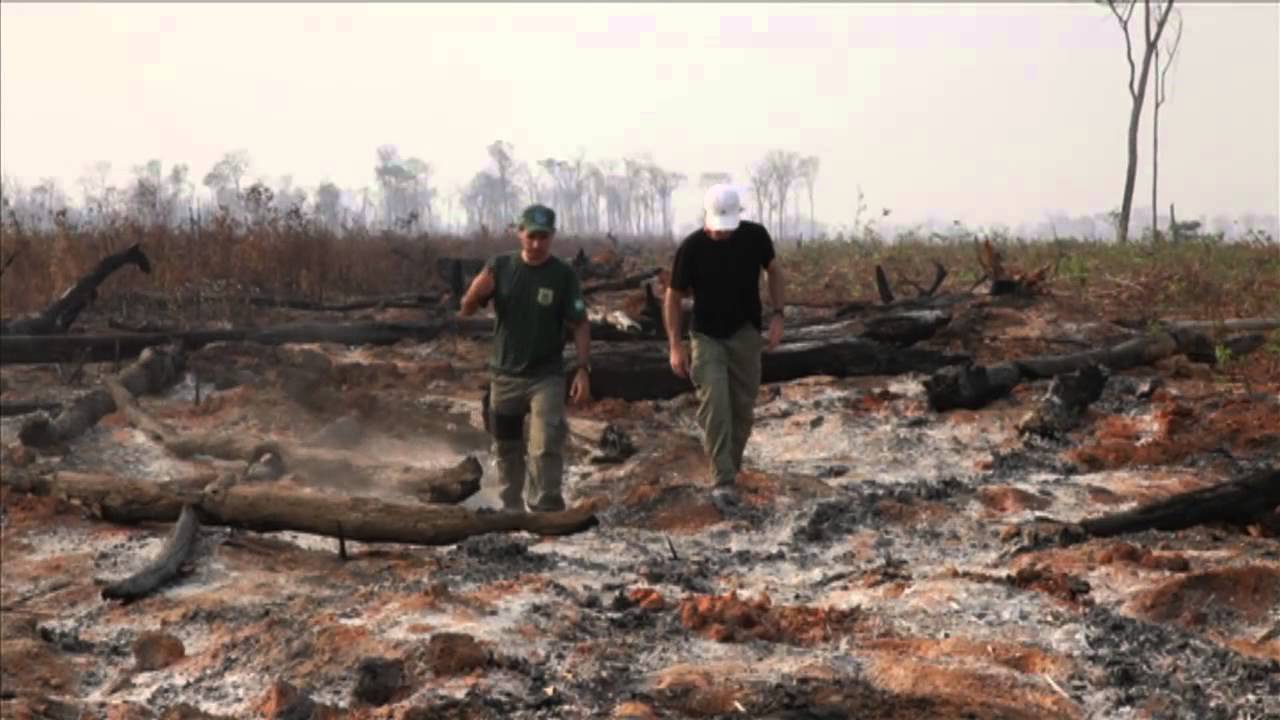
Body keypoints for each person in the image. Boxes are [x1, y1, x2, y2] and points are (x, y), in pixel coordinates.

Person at [458, 204, 592, 512]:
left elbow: (580, 323)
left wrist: (583, 368)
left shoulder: (562, 275)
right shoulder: (500, 267)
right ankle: (511, 508)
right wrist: (474, 295)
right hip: (504, 374)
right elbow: (465, 309)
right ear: (519, 233)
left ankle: (545, 508)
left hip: (546, 375)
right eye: (531, 236)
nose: (536, 244)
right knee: (506, 447)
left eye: (543, 237)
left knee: (545, 444)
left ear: (552, 236)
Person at [664, 183, 785, 491]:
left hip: (745, 333)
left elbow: (774, 271)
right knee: (715, 405)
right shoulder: (691, 248)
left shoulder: (755, 237)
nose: (722, 234)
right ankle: (723, 481)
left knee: (742, 410)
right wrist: (675, 345)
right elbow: (673, 296)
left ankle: (729, 467)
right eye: (718, 228)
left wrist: (778, 315)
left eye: (728, 227)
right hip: (706, 337)